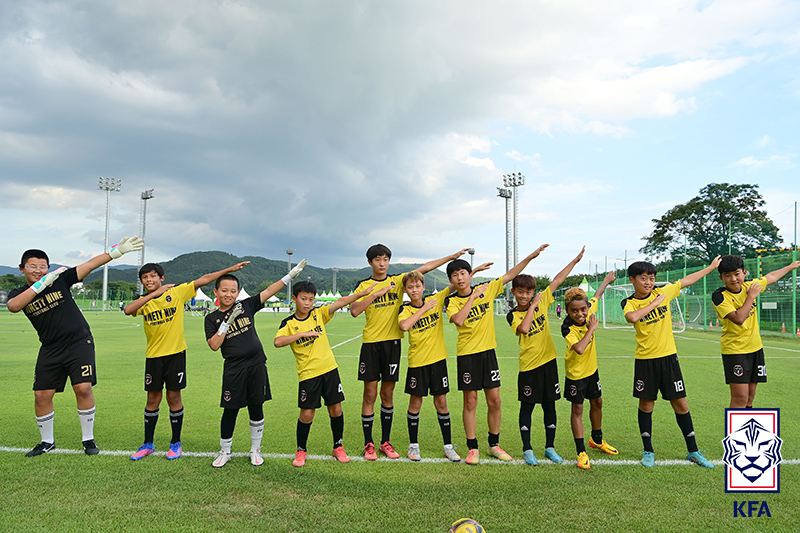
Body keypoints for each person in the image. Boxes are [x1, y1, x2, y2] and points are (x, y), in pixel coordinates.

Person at [7, 236, 144, 457]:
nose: (39, 270)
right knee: (41, 395)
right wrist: (42, 284)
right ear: (22, 269)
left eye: (43, 267)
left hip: (78, 342)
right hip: (50, 348)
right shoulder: (19, 294)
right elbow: (13, 306)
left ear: (48, 267)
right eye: (33, 266)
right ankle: (47, 442)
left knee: (83, 387)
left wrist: (116, 252)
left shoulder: (59, 280)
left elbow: (89, 264)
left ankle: (88, 439)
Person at [350, 244, 470, 461]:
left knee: (387, 394)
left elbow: (425, 268)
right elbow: (355, 311)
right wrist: (375, 294)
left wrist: (452, 257)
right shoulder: (363, 285)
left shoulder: (398, 281)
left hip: (393, 344)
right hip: (371, 344)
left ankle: (385, 442)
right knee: (370, 394)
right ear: (370, 262)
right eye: (377, 259)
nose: (382, 263)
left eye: (385, 259)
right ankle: (369, 444)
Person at [125, 260, 249, 460]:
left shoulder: (176, 293)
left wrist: (228, 270)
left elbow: (203, 280)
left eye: (153, 276)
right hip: (153, 357)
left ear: (162, 278)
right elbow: (128, 310)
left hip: (175, 355)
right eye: (145, 277)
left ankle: (176, 443)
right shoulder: (144, 301)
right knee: (152, 399)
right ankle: (148, 443)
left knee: (174, 397)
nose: (149, 280)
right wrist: (153, 295)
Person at [446, 245, 548, 465]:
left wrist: (530, 256)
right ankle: (472, 448)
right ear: (451, 281)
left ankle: (494, 445)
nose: (460, 277)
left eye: (463, 273)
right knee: (470, 402)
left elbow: (510, 275)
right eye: (455, 275)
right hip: (467, 355)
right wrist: (473, 298)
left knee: (495, 401)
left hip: (488, 354)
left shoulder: (487, 288)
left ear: (469, 275)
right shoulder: (452, 301)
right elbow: (460, 320)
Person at [205, 260, 307, 468]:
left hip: (257, 365)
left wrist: (290, 276)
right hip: (234, 369)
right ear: (216, 292)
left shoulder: (246, 306)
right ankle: (225, 451)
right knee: (230, 410)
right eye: (224, 290)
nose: (228, 294)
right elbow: (215, 345)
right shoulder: (211, 318)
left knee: (256, 407)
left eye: (233, 291)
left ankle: (256, 450)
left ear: (237, 293)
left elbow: (269, 291)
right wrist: (226, 323)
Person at [622, 257, 721, 468]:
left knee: (681, 403)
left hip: (669, 359)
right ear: (632, 280)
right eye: (643, 278)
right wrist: (655, 303)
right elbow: (632, 317)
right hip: (646, 361)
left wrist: (711, 268)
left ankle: (693, 450)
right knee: (647, 404)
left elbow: (687, 281)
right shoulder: (629, 302)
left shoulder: (663, 291)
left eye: (651, 278)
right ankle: (648, 451)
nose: (648, 282)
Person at [275, 281, 379, 467]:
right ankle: (301, 450)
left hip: (330, 370)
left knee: (336, 409)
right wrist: (301, 335)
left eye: (311, 299)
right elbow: (278, 341)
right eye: (303, 299)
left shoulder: (318, 314)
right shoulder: (289, 323)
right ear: (294, 299)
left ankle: (338, 446)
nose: (307, 303)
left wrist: (362, 294)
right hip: (308, 374)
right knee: (307, 413)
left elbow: (341, 302)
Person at [398, 265, 490, 462]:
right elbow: (404, 326)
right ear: (405, 290)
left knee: (442, 403)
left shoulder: (437, 299)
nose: (414, 290)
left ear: (423, 287)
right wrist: (423, 309)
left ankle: (448, 446)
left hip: (438, 361)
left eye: (417, 286)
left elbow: (456, 285)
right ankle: (413, 446)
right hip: (418, 363)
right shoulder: (405, 309)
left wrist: (472, 273)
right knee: (415, 403)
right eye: (410, 287)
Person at [506, 247, 584, 466]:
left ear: (533, 292)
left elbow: (558, 279)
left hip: (549, 364)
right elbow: (524, 328)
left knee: (550, 406)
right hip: (529, 367)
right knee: (527, 407)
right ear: (514, 292)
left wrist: (575, 261)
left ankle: (550, 447)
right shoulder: (513, 314)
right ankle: (527, 449)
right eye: (520, 292)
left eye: (529, 292)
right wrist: (533, 306)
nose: (525, 296)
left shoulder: (541, 299)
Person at [712, 255, 800, 408]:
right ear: (721, 278)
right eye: (728, 275)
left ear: (744, 273)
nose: (733, 279)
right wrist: (751, 296)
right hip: (735, 351)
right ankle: (733, 432)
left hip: (755, 349)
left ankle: (744, 431)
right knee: (740, 397)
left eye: (737, 273)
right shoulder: (719, 296)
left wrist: (790, 267)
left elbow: (770, 277)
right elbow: (739, 319)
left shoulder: (750, 285)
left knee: (750, 396)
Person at [561, 271, 618, 470]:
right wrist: (591, 328)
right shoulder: (567, 328)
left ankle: (597, 440)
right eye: (574, 311)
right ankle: (581, 451)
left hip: (592, 371)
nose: (580, 314)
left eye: (583, 309)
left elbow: (598, 294)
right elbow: (579, 348)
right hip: (576, 375)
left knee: (598, 401)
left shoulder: (588, 308)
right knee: (577, 409)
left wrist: (606, 281)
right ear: (568, 311)